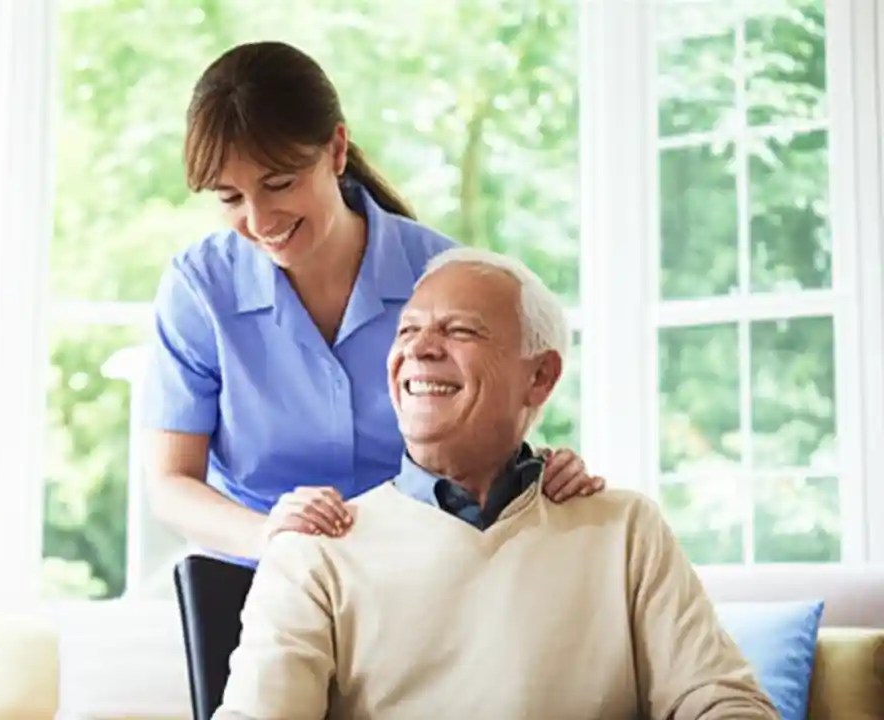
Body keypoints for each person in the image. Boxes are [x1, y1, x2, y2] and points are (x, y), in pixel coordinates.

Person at [214, 247, 777, 719]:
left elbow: (721, 699)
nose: (420, 348)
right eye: (407, 330)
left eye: (459, 330)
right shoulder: (316, 550)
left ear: (540, 377)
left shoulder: (624, 529)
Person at [143, 40, 605, 564]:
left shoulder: (444, 277)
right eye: (230, 198)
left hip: (420, 574)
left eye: (279, 184)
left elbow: (488, 451)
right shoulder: (200, 288)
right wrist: (273, 537)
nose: (260, 219)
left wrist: (541, 475)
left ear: (337, 151)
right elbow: (171, 483)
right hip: (258, 577)